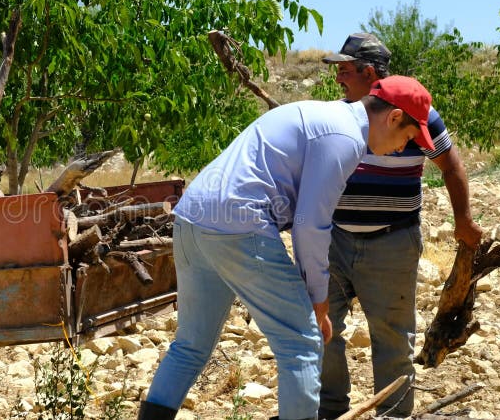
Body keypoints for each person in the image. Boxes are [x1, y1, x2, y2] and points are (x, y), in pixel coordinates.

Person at [137, 75, 437, 420]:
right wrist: (318, 302)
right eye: (407, 137)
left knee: (190, 346)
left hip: (192, 218)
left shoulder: (317, 113)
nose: (402, 148)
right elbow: (310, 224)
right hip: (240, 223)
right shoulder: (346, 137)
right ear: (395, 117)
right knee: (303, 343)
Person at [318, 33, 483, 419]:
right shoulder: (338, 116)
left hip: (392, 244)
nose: (338, 80)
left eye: (344, 71)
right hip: (334, 240)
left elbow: (452, 166)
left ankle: (393, 415)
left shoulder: (413, 114)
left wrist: (463, 220)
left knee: (392, 337)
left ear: (369, 72)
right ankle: (330, 411)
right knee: (322, 329)